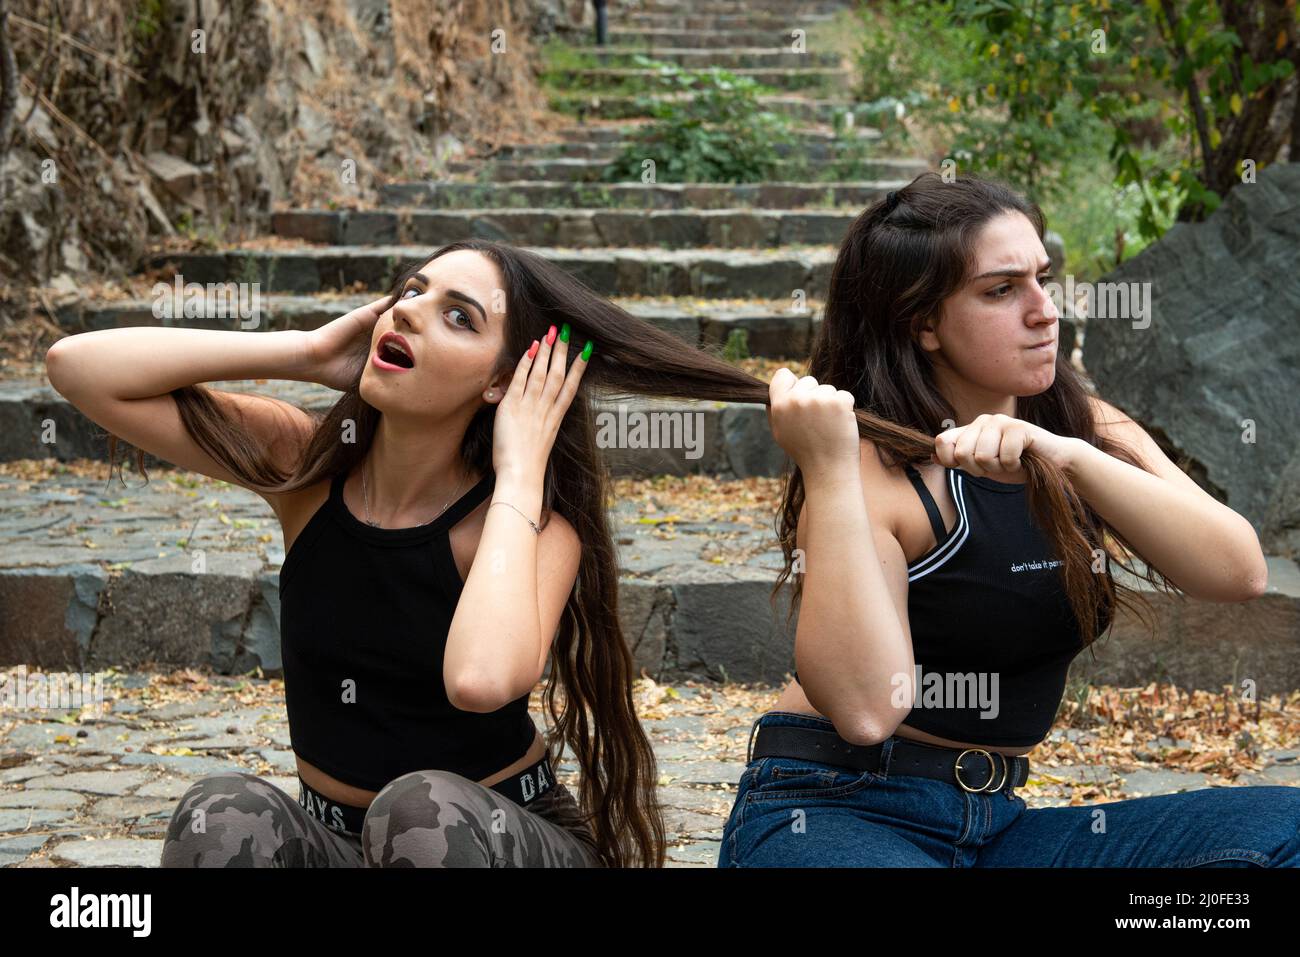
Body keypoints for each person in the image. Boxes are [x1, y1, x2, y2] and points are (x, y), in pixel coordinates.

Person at [45, 239, 776, 867]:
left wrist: (520, 471)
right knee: (225, 810)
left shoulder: (532, 528)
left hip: (491, 838)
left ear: (501, 381)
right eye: (412, 291)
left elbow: (481, 678)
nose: (411, 311)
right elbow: (79, 367)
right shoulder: (308, 470)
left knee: (418, 811)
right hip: (342, 842)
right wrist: (303, 353)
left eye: (459, 315)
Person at [718, 172, 1300, 867]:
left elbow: (1239, 571)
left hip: (998, 828)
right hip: (835, 812)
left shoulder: (1083, 427)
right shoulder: (871, 473)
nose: (1043, 311)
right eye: (1001, 290)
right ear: (923, 322)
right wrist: (829, 469)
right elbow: (869, 710)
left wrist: (1069, 457)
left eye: (1043, 279)